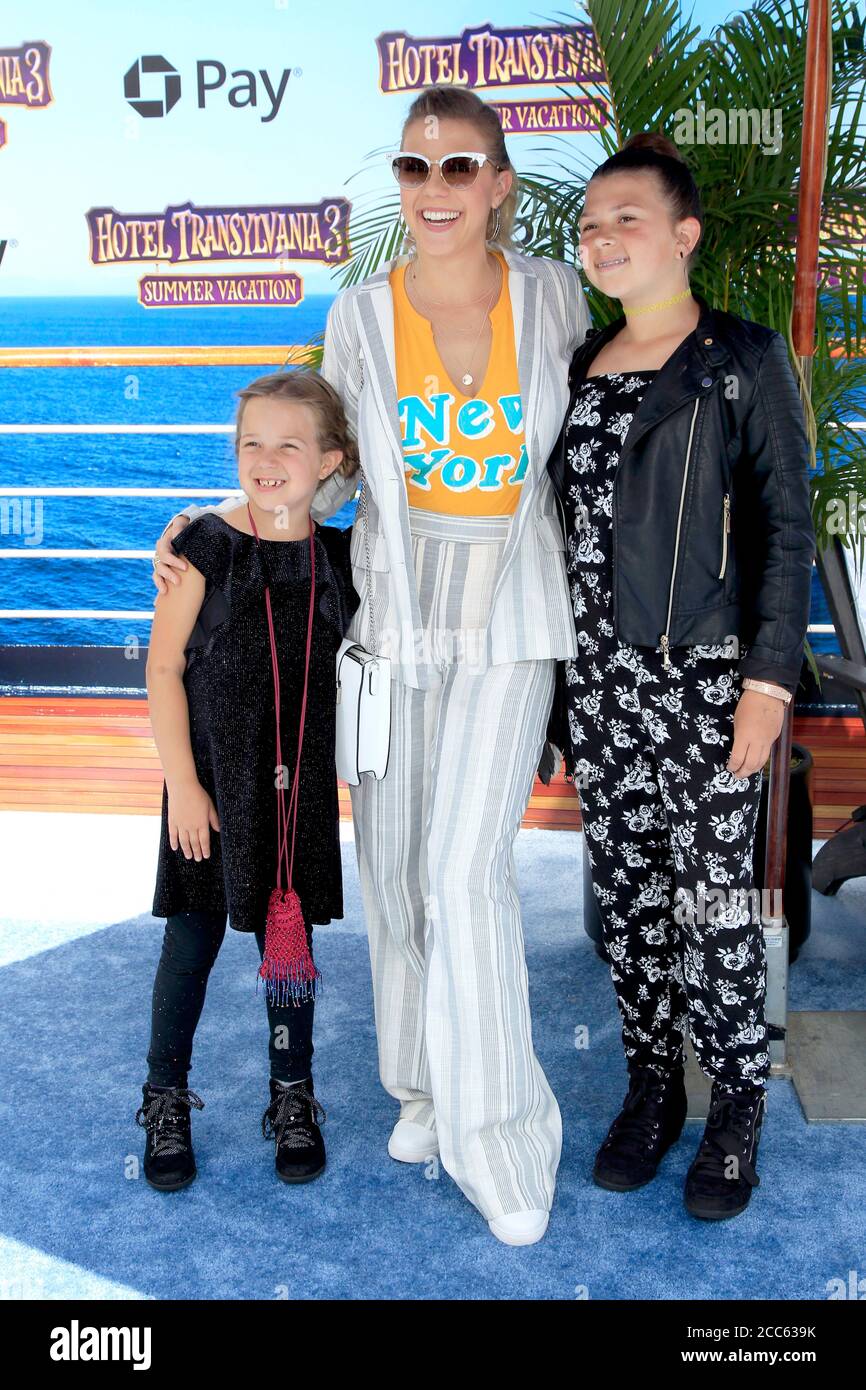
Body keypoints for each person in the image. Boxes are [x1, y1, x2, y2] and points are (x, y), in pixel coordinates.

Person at [151, 85, 592, 1245]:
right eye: (413, 168)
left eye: (458, 169)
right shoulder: (358, 312)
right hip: (392, 618)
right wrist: (226, 514)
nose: (433, 189)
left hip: (511, 613)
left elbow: (592, 450)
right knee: (395, 879)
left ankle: (499, 1136)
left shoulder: (554, 295)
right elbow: (331, 470)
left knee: (463, 878)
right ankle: (421, 1089)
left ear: (498, 185)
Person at [546, 132, 816, 1219]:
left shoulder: (738, 357)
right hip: (600, 682)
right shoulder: (576, 363)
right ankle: (652, 1086)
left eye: (627, 218)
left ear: (682, 234)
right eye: (590, 223)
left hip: (707, 681)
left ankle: (735, 1108)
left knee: (720, 905)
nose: (602, 237)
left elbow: (784, 528)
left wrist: (768, 681)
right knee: (630, 903)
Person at [137, 371, 360, 1191]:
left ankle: (292, 1092)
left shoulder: (342, 556)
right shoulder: (203, 547)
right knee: (189, 939)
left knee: (286, 946)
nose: (265, 460)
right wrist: (183, 786)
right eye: (250, 444)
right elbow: (163, 670)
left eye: (289, 445)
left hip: (294, 795)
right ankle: (165, 1097)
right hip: (212, 786)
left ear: (330, 458)